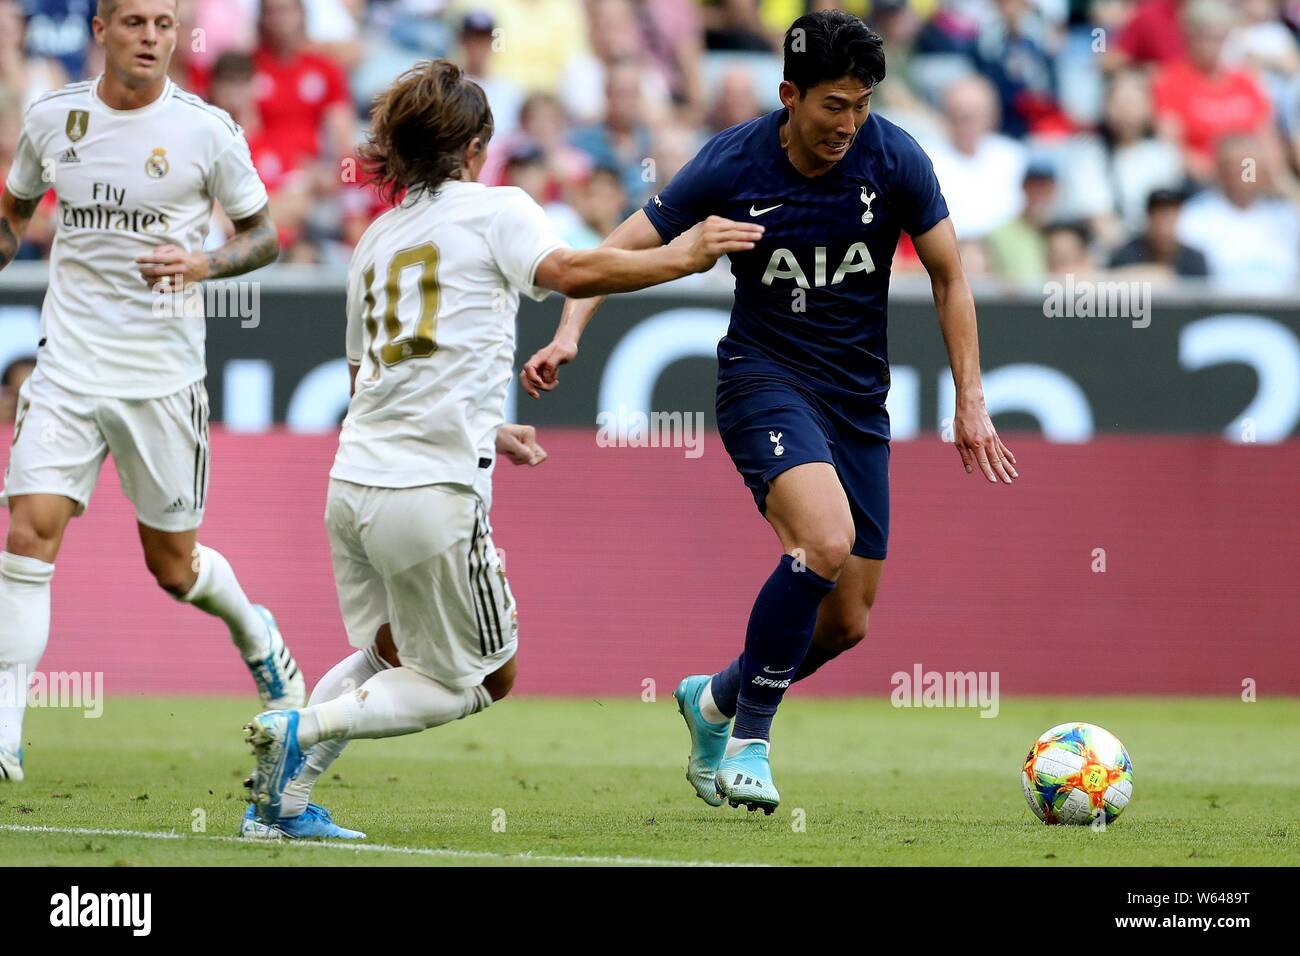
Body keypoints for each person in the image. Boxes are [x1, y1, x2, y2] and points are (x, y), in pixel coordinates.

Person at [239, 59, 762, 840]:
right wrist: (682, 257)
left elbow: (371, 379)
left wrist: (486, 426)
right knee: (482, 678)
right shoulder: (497, 210)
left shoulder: (376, 240)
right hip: (432, 494)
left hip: (352, 484)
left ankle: (279, 805)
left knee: (390, 654)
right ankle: (296, 731)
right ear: (475, 146)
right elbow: (572, 269)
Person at [521, 10, 1017, 814]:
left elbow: (950, 275)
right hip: (763, 379)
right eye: (832, 105)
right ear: (790, 95)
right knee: (824, 539)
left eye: (860, 104)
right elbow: (625, 244)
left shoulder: (894, 158)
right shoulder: (734, 162)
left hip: (858, 401)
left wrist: (972, 400)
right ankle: (750, 738)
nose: (848, 124)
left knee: (847, 621)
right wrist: (569, 329)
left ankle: (713, 698)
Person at [0, 0, 305, 784]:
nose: (150, 38)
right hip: (66, 365)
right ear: (99, 30)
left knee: (173, 568)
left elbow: (265, 234)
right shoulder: (52, 119)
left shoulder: (205, 130)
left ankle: (257, 634)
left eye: (164, 25)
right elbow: (13, 215)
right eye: (134, 22)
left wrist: (205, 264)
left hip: (162, 379)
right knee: (28, 538)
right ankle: (5, 731)